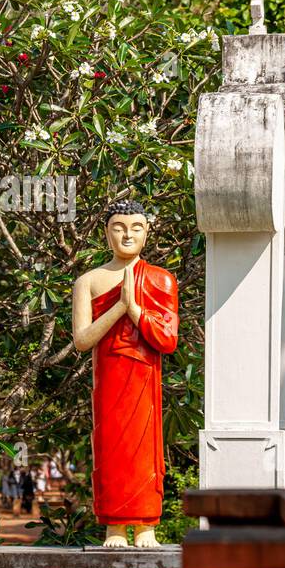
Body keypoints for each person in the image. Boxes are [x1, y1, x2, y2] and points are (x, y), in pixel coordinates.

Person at [71, 200, 178, 548]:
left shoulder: (161, 279)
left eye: (135, 228)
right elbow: (83, 340)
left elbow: (168, 339)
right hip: (110, 379)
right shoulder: (90, 281)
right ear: (106, 233)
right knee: (111, 447)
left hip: (145, 378)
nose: (127, 234)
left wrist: (135, 310)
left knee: (145, 450)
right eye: (118, 227)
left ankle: (146, 524)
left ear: (146, 233)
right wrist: (119, 307)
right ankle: (115, 525)